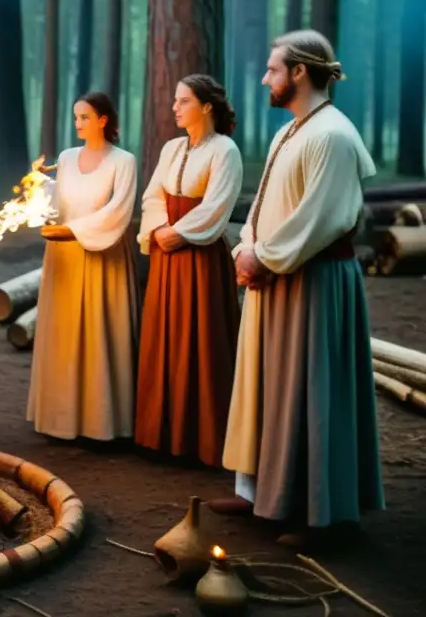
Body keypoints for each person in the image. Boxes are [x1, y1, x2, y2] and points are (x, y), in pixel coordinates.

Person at [212, 30, 385, 549]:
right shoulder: (293, 130)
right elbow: (267, 201)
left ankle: (322, 518)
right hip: (279, 277)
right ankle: (262, 492)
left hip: (313, 284)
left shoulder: (329, 135)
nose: (265, 78)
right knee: (269, 387)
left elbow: (322, 220)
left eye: (272, 69)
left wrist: (259, 257)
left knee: (312, 393)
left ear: (300, 73)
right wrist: (248, 247)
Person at [134, 75, 243, 466]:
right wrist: (160, 229)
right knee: (164, 337)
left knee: (200, 340)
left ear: (206, 106)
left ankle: (203, 441)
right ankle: (159, 435)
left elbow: (217, 206)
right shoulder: (172, 148)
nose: (175, 108)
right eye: (175, 101)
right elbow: (152, 195)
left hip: (199, 259)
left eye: (183, 101)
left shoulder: (225, 151)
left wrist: (179, 234)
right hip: (166, 254)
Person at [26, 92, 139, 441]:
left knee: (99, 333)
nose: (78, 124)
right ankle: (59, 420)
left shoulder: (124, 161)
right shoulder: (67, 157)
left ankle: (103, 422)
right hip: (62, 256)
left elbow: (119, 208)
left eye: (85, 117)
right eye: (76, 117)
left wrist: (75, 230)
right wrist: (38, 185)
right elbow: (59, 199)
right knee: (62, 336)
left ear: (104, 120)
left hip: (102, 256)